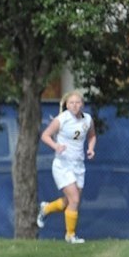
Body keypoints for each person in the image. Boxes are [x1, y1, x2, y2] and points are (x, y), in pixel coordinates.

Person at [37, 90, 96, 244]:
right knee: (74, 199)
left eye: (78, 102)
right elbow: (45, 135)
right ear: (66, 105)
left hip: (79, 166)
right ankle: (70, 235)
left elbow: (92, 136)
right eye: (71, 103)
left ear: (82, 104)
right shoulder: (61, 119)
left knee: (70, 202)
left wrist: (90, 148)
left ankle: (46, 208)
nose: (75, 105)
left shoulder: (87, 119)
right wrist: (56, 146)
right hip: (63, 165)